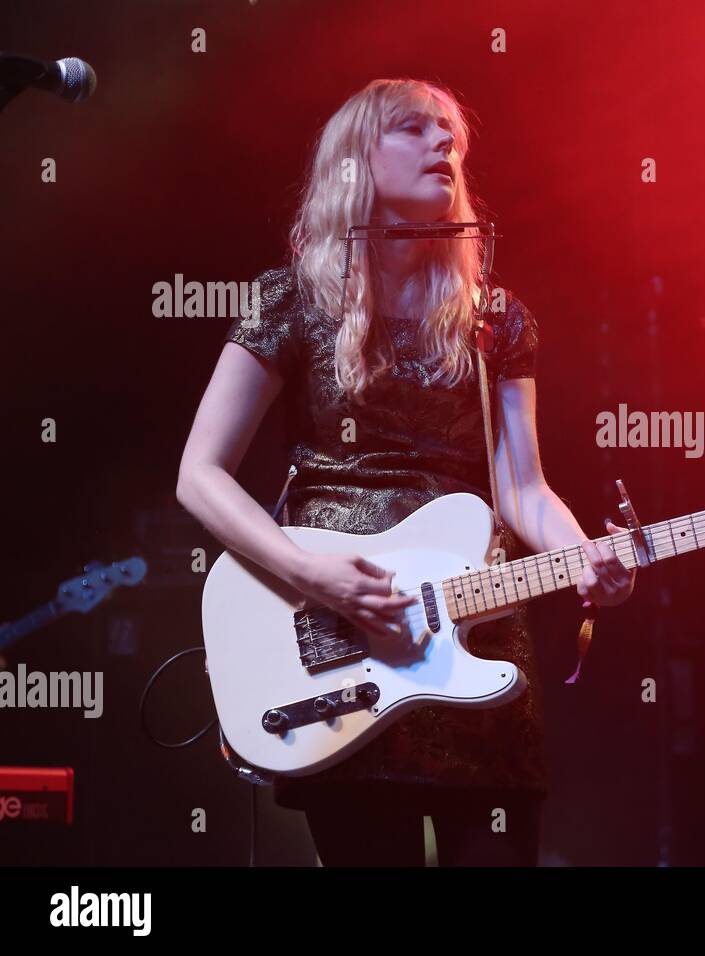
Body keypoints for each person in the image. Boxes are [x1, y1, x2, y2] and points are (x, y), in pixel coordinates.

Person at [176, 78, 635, 866]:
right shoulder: (292, 301)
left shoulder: (495, 316)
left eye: (451, 134)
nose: (443, 144)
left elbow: (522, 486)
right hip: (338, 639)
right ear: (357, 161)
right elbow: (200, 474)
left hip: (475, 628)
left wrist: (587, 550)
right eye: (414, 129)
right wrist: (315, 574)